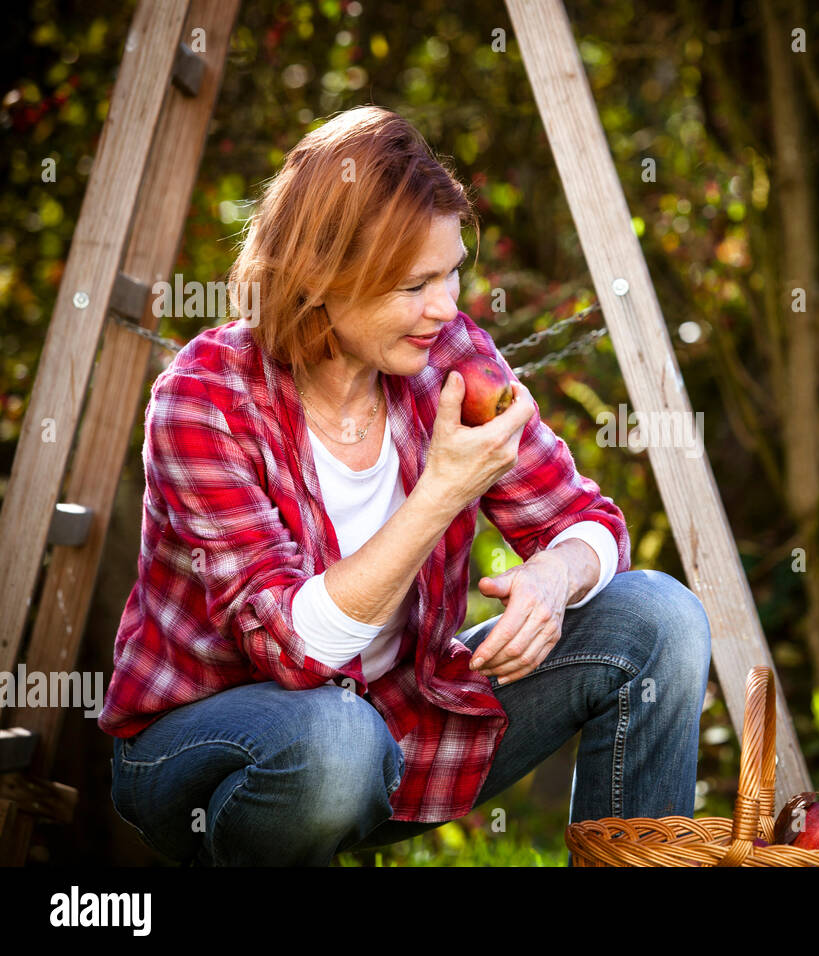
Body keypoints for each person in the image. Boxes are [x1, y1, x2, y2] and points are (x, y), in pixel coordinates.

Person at [97, 105, 712, 866]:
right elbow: (293, 653)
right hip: (206, 745)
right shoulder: (204, 398)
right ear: (320, 276)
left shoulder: (448, 354)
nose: (447, 306)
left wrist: (554, 577)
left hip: (398, 721)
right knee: (330, 739)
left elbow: (586, 520)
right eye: (415, 283)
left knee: (659, 615)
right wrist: (441, 492)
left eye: (453, 270)